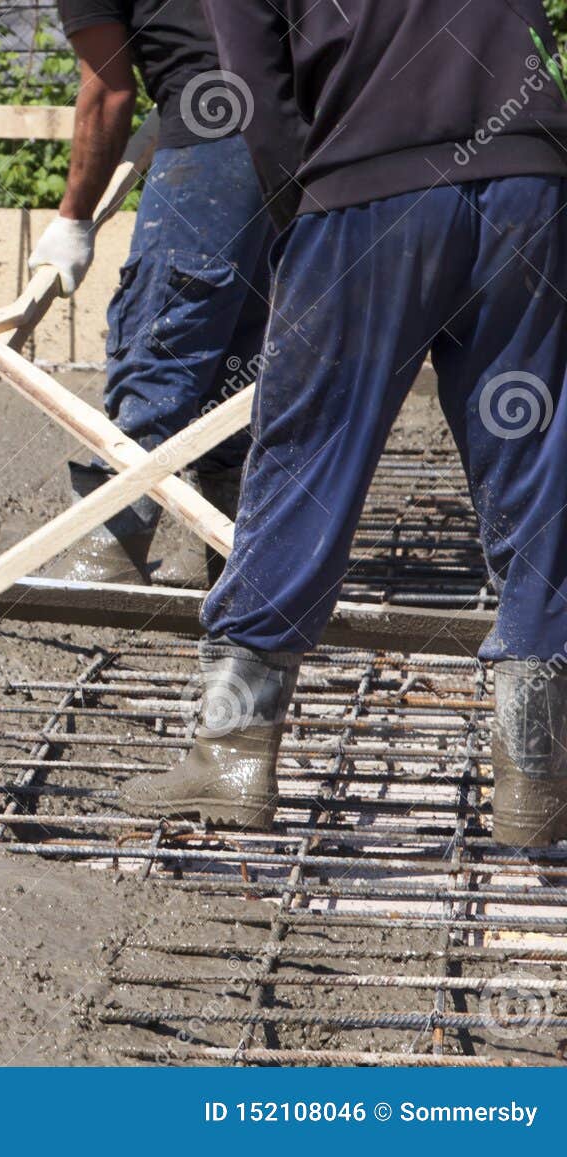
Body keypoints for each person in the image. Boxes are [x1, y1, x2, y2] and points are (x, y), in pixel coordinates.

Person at [119, 0, 567, 847]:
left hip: (370, 183)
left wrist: (310, 208)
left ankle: (233, 751)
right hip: (529, 182)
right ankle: (536, 773)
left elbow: (253, 83)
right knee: (536, 457)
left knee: (309, 453)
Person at [32, 0, 274, 587]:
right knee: (237, 364)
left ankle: (107, 557)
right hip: (294, 147)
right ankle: (229, 554)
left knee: (159, 346)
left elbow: (109, 93)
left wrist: (73, 218)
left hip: (212, 148)